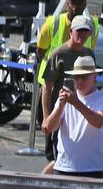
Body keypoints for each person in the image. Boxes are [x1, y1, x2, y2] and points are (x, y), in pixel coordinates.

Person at [41, 56, 103, 178]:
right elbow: (48, 127)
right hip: (64, 167)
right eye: (76, 77)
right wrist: (60, 107)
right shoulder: (66, 98)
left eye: (84, 77)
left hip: (93, 169)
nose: (80, 81)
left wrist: (75, 102)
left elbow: (98, 122)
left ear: (94, 76)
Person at [40, 19, 95, 172]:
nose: (82, 35)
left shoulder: (88, 54)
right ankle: (41, 186)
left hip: (80, 112)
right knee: (58, 156)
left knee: (73, 153)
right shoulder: (59, 54)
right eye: (79, 31)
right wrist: (46, 116)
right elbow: (47, 87)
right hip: (61, 111)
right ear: (71, 32)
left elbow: (92, 83)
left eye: (85, 31)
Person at [36, 0, 98, 89]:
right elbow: (40, 51)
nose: (75, 7)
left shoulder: (93, 26)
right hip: (50, 83)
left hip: (77, 84)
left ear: (85, 5)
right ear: (67, 4)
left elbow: (91, 51)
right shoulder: (52, 23)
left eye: (79, 3)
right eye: (72, 3)